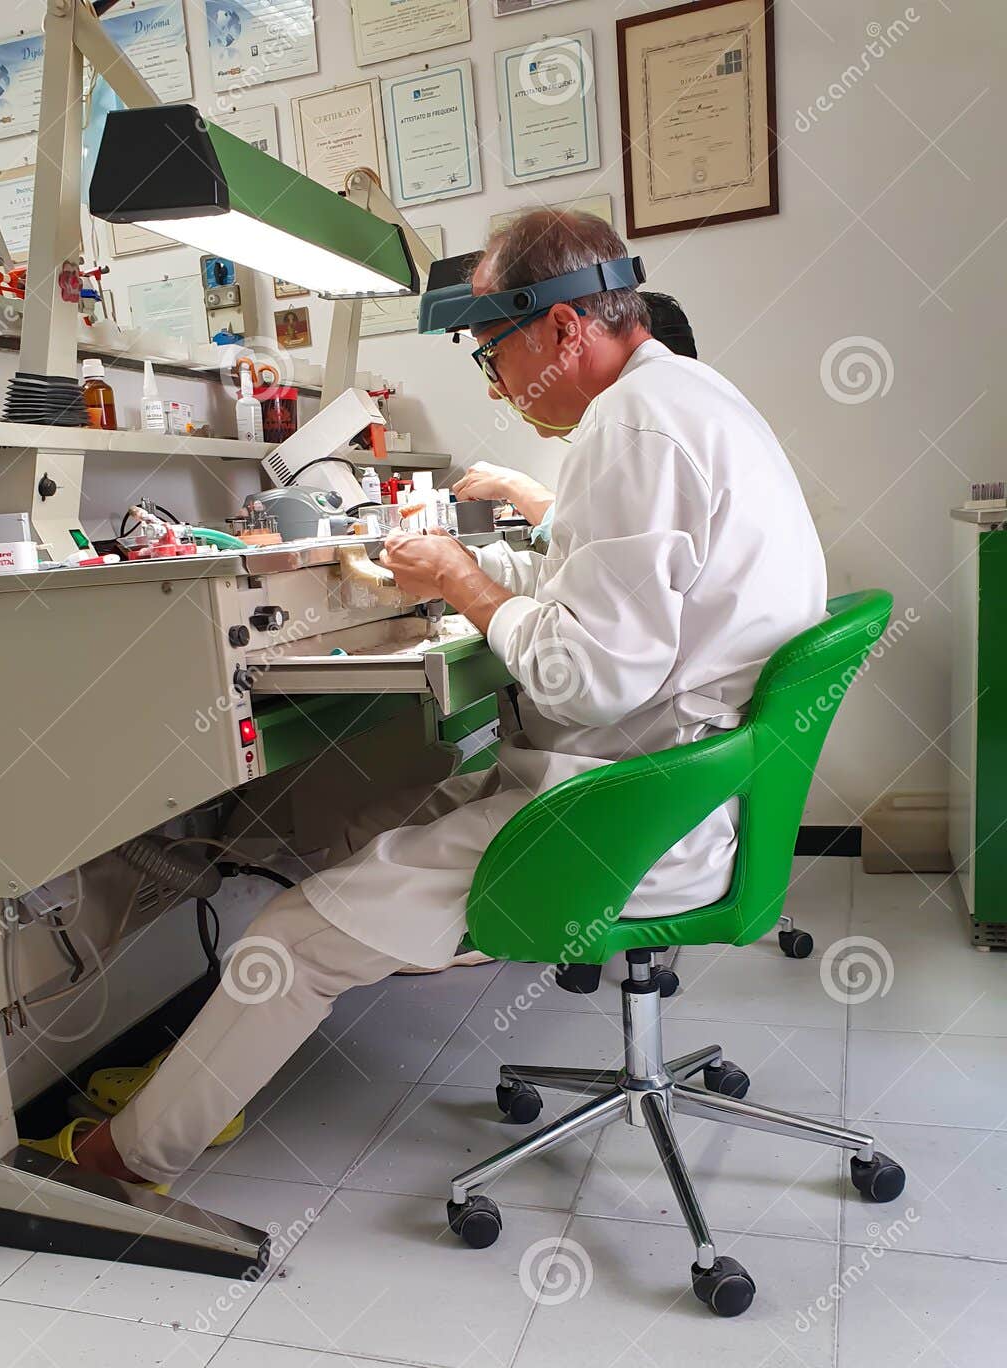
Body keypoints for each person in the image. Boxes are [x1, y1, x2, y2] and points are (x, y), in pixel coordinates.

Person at [73, 210, 826, 1189]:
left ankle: (120, 1163)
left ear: (562, 330)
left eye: (492, 353)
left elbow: (590, 676)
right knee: (383, 818)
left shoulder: (629, 426)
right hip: (681, 788)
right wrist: (465, 571)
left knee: (288, 938)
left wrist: (469, 588)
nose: (498, 384)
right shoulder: (690, 399)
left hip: (629, 812)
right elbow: (601, 579)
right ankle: (202, 1070)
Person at [452, 292, 699, 546]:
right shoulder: (692, 412)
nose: (495, 391)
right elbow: (591, 538)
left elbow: (604, 568)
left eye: (495, 358)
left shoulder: (633, 429)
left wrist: (452, 573)